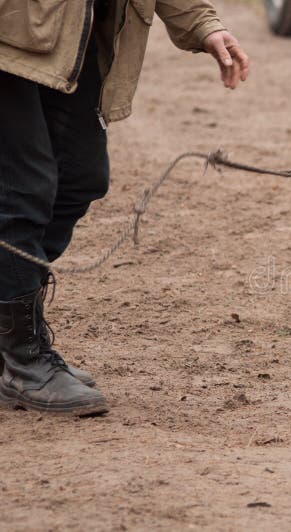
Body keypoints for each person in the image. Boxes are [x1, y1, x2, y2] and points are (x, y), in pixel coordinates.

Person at [0, 0, 250, 415]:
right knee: (21, 189)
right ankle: (23, 358)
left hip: (73, 39)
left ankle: (9, 331)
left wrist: (202, 24)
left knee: (80, 176)